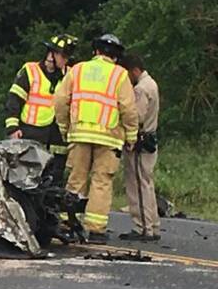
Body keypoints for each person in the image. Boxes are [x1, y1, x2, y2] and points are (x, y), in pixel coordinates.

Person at [54, 34, 139, 243]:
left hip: (79, 135)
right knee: (102, 182)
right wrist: (131, 136)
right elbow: (128, 109)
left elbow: (60, 100)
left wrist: (65, 128)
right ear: (116, 56)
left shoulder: (78, 70)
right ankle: (95, 230)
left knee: (76, 179)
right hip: (109, 138)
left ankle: (68, 224)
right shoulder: (120, 75)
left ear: (96, 51)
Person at [4, 34, 77, 175]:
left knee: (54, 178)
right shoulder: (30, 71)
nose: (66, 61)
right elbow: (14, 100)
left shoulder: (70, 74)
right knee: (26, 177)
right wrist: (13, 128)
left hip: (57, 136)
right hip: (30, 133)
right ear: (52, 55)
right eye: (64, 57)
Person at [118, 52, 161, 242]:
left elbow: (137, 117)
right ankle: (153, 225)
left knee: (138, 183)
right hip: (151, 139)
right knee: (147, 183)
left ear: (134, 70)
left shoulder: (141, 89)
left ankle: (143, 227)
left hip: (140, 141)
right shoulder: (152, 83)